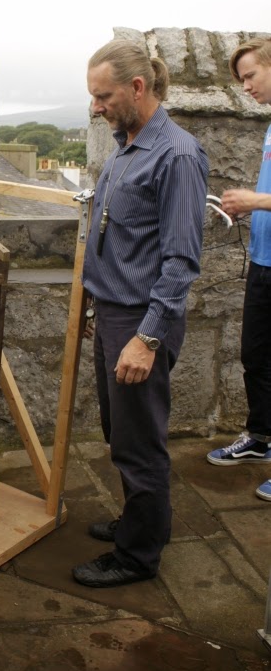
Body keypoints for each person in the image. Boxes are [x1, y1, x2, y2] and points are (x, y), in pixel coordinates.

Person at [74, 40, 208, 588]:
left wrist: (146, 338)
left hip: (140, 321)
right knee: (118, 429)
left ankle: (138, 556)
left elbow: (181, 261)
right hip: (114, 314)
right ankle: (141, 521)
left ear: (136, 88)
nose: (95, 107)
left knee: (139, 441)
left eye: (104, 96)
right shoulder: (127, 144)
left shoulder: (176, 154)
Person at [206, 37, 271, 500]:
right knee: (256, 356)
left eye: (251, 75)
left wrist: (256, 200)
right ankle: (261, 438)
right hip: (266, 261)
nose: (245, 86)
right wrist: (252, 207)